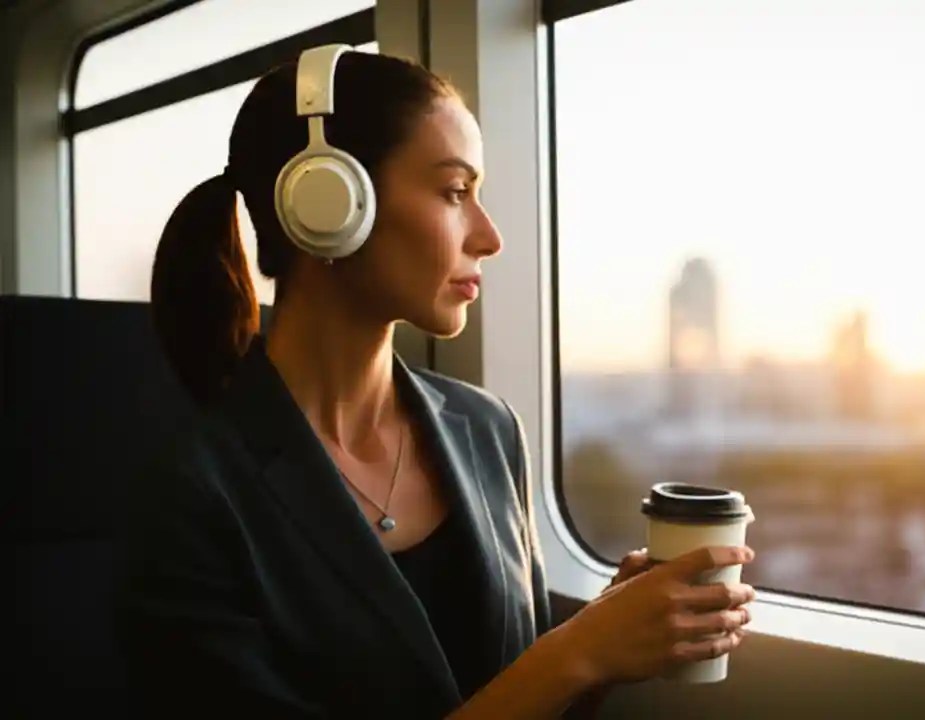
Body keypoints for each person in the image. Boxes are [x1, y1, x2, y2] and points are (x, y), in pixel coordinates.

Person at [113, 45, 755, 718]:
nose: (489, 235)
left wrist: (608, 637)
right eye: (455, 192)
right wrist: (578, 652)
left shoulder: (487, 429)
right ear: (328, 202)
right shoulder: (191, 495)